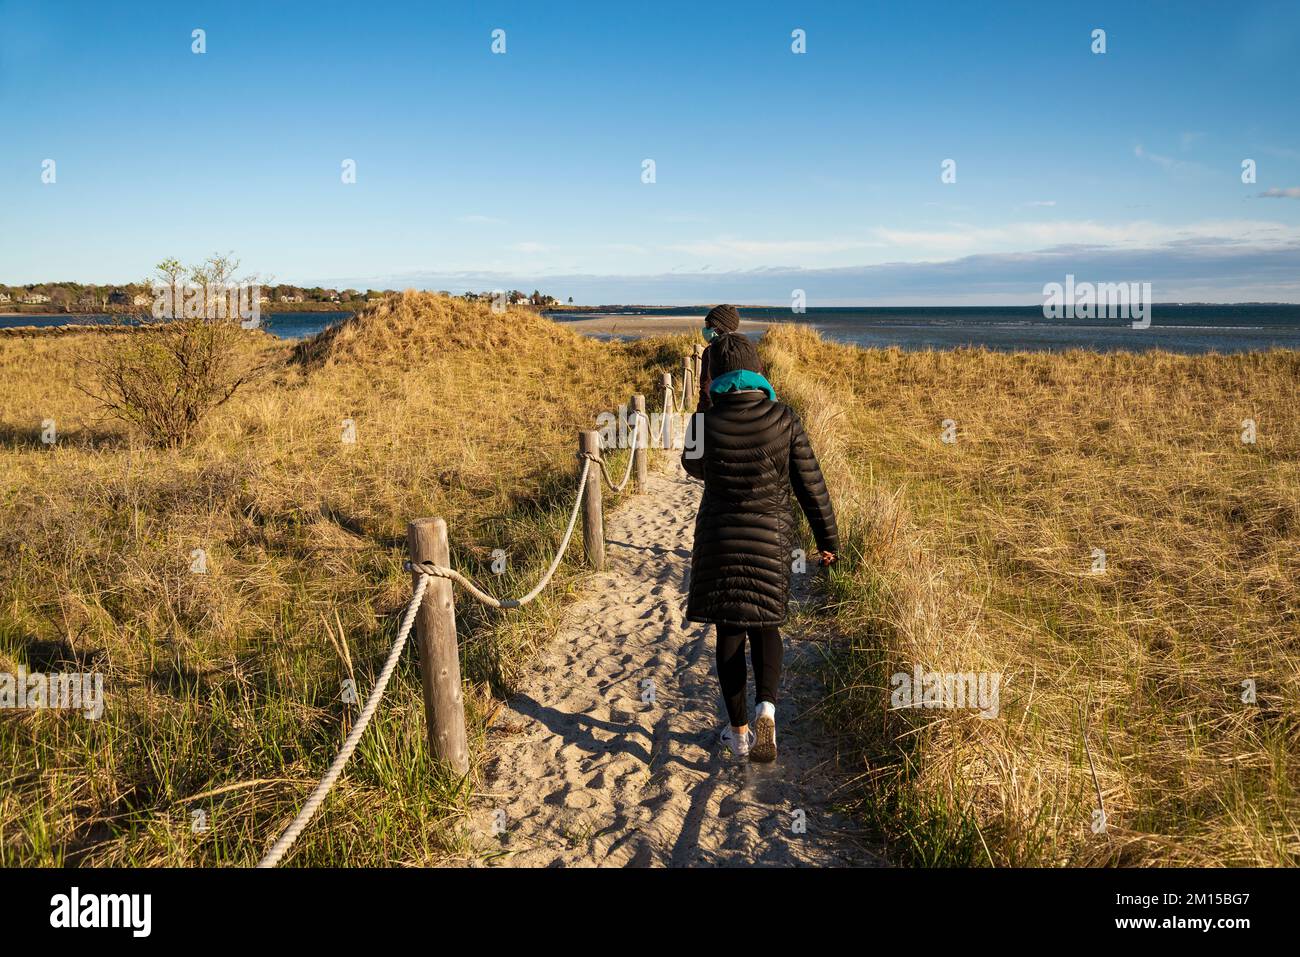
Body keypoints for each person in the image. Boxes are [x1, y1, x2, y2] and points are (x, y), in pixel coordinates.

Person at [681, 331, 838, 762]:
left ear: (714, 376)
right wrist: (828, 542)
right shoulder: (784, 418)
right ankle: (767, 708)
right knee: (767, 625)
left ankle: (739, 734)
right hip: (771, 544)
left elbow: (692, 465)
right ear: (758, 371)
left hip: (719, 544)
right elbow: (811, 485)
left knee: (729, 633)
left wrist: (703, 406)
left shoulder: (704, 422)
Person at [694, 303, 764, 412]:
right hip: (753, 408)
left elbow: (706, 392)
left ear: (719, 328)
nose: (705, 329)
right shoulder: (747, 346)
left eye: (708, 325)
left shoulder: (711, 351)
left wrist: (699, 423)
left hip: (721, 412)